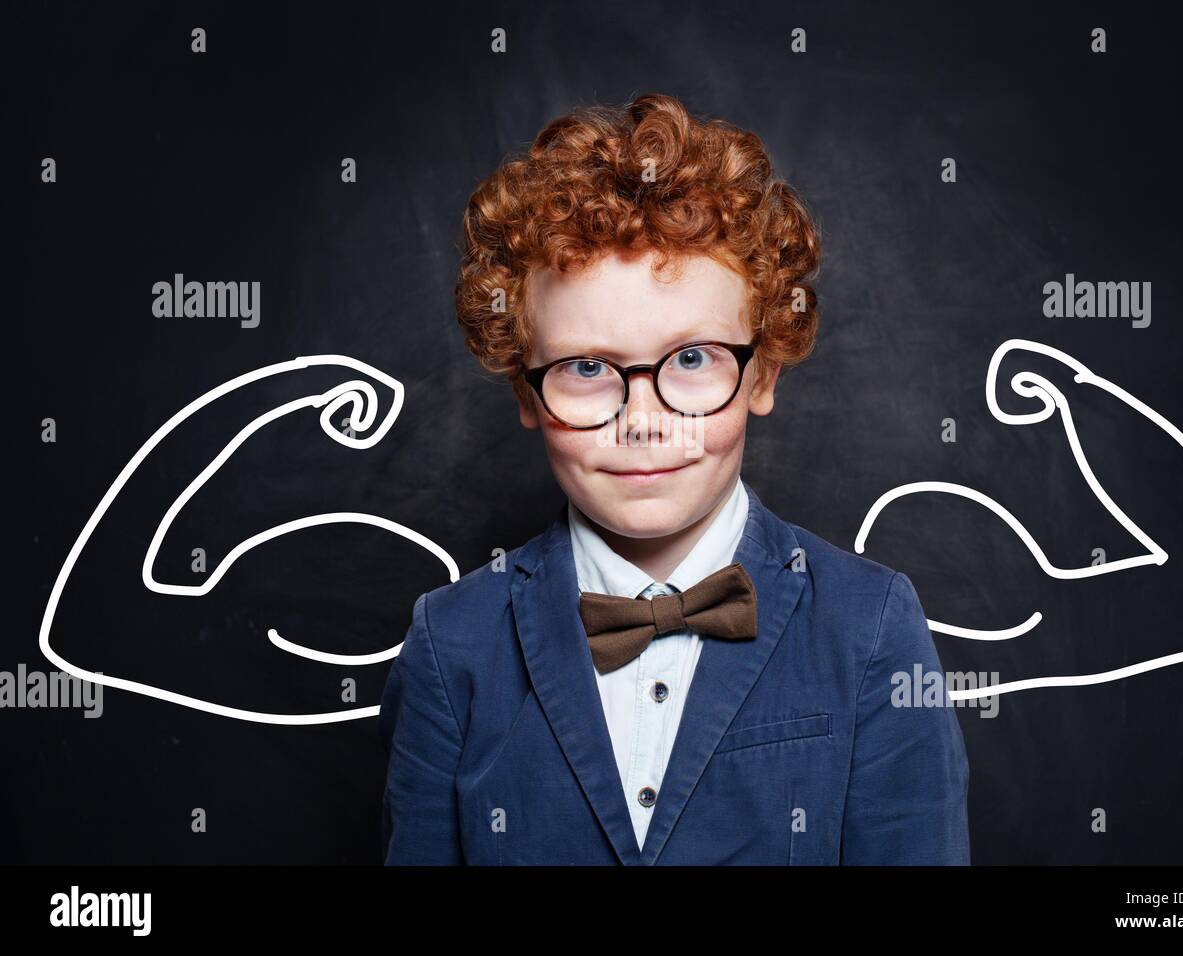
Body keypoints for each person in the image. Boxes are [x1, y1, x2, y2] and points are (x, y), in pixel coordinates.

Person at [379, 93, 970, 865]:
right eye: (587, 367)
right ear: (527, 391)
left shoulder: (871, 627)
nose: (645, 420)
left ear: (764, 374)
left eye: (691, 359)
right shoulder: (447, 644)